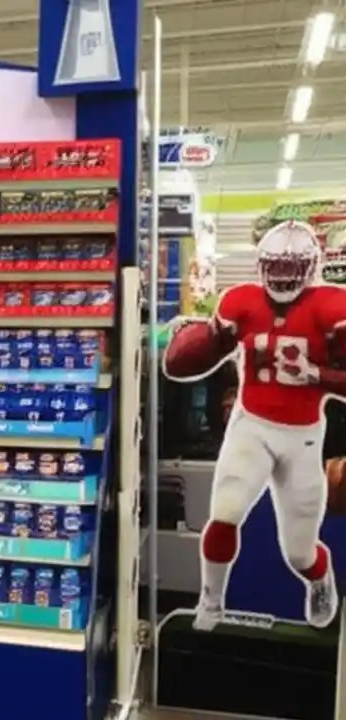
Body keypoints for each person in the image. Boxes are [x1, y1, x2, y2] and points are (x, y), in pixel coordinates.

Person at [163, 220, 345, 631]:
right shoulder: (241, 300)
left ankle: (320, 577)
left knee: (298, 552)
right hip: (252, 425)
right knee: (224, 513)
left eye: (290, 267)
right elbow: (186, 362)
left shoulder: (333, 307)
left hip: (302, 436)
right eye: (274, 265)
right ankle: (211, 600)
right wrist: (196, 338)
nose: (281, 275)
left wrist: (318, 375)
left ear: (310, 267)